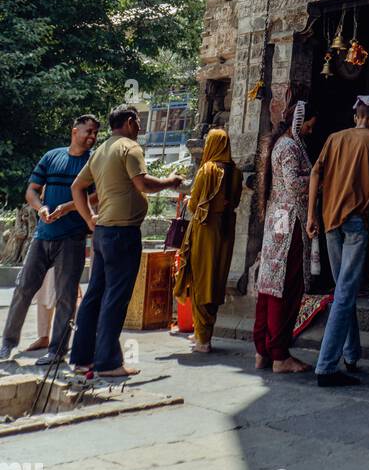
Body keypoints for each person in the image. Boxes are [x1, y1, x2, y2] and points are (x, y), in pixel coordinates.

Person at [69, 105, 184, 378]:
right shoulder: (129, 148)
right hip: (122, 233)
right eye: (139, 123)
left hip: (103, 232)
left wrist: (89, 219)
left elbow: (77, 187)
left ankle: (83, 357)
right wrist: (170, 181)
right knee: (115, 297)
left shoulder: (101, 151)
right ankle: (108, 362)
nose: (140, 128)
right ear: (131, 122)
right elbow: (143, 184)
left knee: (95, 294)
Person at [307, 95, 369, 387]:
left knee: (343, 288)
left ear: (356, 115)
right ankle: (326, 366)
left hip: (330, 220)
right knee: (345, 292)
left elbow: (315, 173)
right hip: (357, 223)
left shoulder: (334, 138)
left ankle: (351, 352)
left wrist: (312, 215)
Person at [0, 115, 100, 364]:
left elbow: (97, 196)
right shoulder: (51, 156)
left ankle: (57, 351)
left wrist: (67, 207)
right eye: (88, 131)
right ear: (74, 131)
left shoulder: (94, 162)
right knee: (23, 289)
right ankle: (7, 343)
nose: (92, 137)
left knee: (66, 296)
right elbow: (31, 191)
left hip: (72, 237)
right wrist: (40, 208)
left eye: (95, 133)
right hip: (42, 235)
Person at [254, 100, 317, 374]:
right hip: (288, 222)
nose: (312, 130)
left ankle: (263, 350)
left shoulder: (282, 145)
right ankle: (279, 355)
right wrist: (318, 178)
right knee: (285, 286)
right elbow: (293, 185)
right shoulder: (289, 147)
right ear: (300, 121)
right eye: (310, 124)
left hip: (277, 221)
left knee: (270, 285)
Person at [173, 128, 243, 354]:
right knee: (215, 281)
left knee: (201, 279)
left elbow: (194, 206)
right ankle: (204, 332)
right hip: (225, 232)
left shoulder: (208, 170)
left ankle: (203, 339)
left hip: (205, 230)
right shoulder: (236, 173)